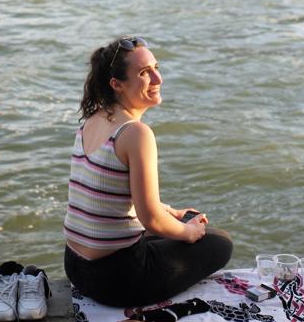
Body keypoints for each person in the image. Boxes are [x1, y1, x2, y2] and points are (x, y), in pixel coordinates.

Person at [63, 37, 232, 307]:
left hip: (75, 265)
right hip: (117, 279)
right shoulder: (135, 133)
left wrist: (172, 213)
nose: (158, 78)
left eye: (156, 67)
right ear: (116, 85)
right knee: (218, 242)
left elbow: (112, 197)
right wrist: (188, 234)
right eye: (144, 73)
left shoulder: (92, 120)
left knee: (180, 221)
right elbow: (150, 219)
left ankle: (179, 225)